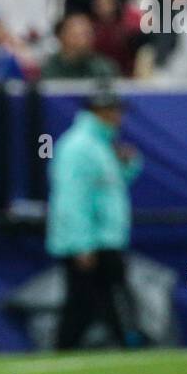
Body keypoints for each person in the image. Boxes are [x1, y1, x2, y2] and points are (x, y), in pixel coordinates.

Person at [46, 82, 142, 351]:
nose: (119, 117)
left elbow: (108, 189)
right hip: (92, 241)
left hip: (102, 238)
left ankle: (69, 352)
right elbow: (71, 199)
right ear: (100, 111)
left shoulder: (98, 145)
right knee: (88, 303)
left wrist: (127, 165)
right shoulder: (79, 147)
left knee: (95, 303)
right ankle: (68, 351)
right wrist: (82, 245)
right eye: (115, 111)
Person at [42, 13, 119, 80]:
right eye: (77, 35)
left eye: (87, 34)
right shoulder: (49, 68)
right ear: (62, 36)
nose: (84, 41)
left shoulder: (103, 68)